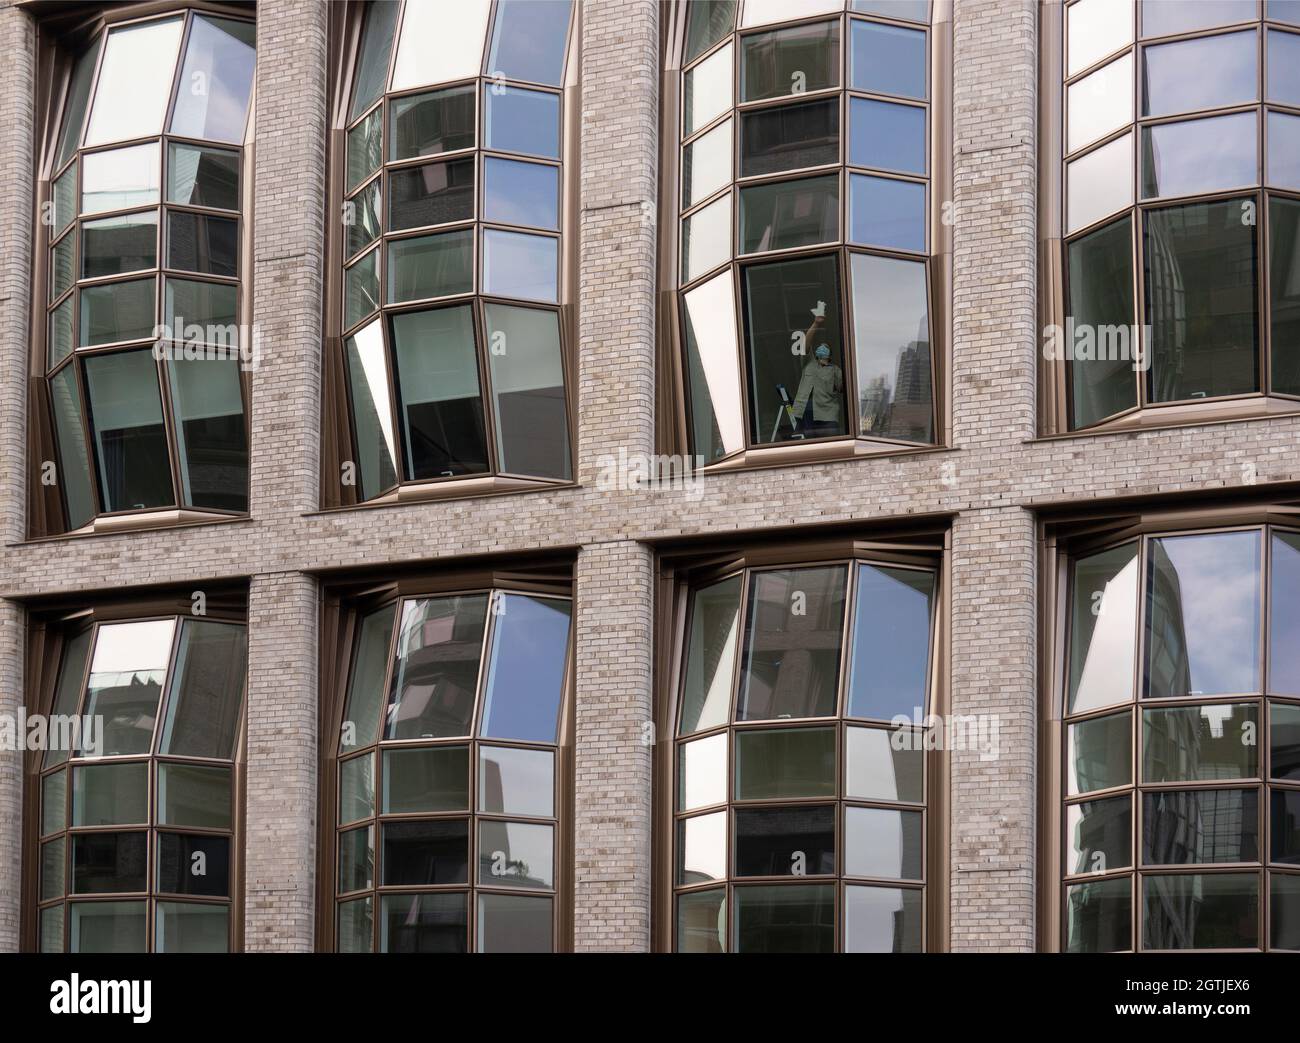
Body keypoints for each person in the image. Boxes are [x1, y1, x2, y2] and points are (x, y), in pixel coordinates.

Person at [791, 313, 844, 437]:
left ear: (830, 355)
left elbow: (842, 388)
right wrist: (816, 323)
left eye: (825, 347)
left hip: (827, 417)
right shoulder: (808, 363)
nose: (822, 348)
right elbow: (805, 344)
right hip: (804, 415)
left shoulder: (835, 370)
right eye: (820, 347)